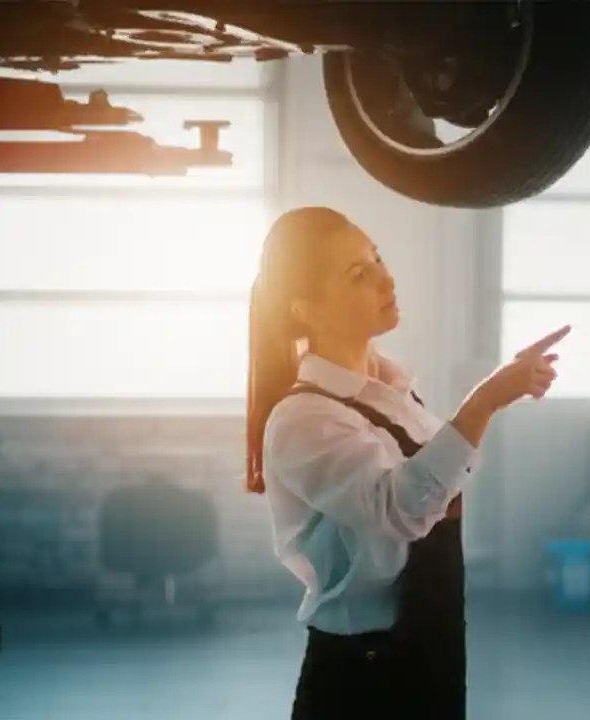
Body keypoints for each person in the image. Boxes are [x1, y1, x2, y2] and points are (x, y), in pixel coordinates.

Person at [243, 206, 570, 719]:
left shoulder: (392, 392)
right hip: (364, 672)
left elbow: (440, 482)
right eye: (358, 273)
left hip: (426, 649)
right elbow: (404, 508)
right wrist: (484, 402)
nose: (385, 277)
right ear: (304, 308)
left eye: (376, 258)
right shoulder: (303, 417)